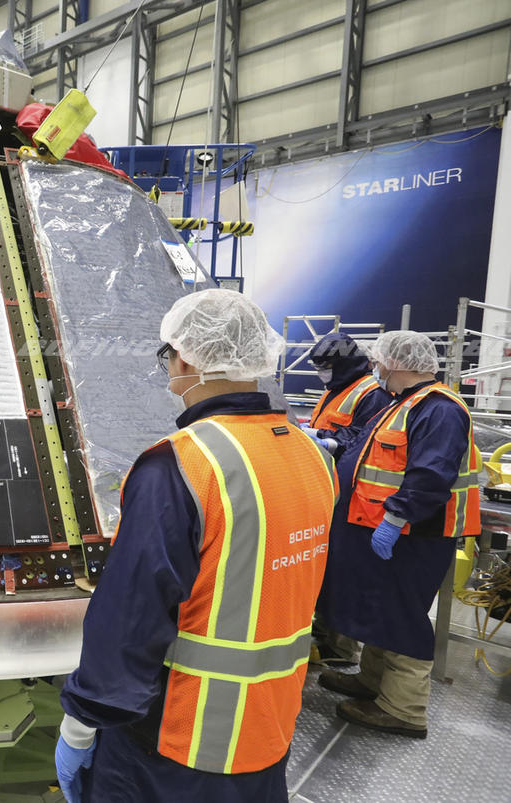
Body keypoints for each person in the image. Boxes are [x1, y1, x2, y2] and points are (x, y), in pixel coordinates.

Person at [55, 288, 339, 803]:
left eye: (168, 358)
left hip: (174, 739)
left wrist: (82, 722)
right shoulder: (310, 454)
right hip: (268, 726)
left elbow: (131, 615)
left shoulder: (180, 466)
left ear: (185, 358)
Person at [315, 330, 480, 738]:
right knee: (383, 609)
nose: (376, 366)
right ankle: (374, 684)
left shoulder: (439, 409)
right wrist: (334, 445)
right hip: (388, 529)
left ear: (397, 363)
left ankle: (403, 709)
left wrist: (394, 520)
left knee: (403, 615)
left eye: (379, 360)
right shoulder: (402, 403)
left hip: (414, 534)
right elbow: (371, 449)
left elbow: (430, 475)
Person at [302, 333, 392, 666]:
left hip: (353, 497)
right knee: (324, 570)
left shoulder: (371, 394)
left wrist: (323, 440)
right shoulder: (335, 390)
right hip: (325, 491)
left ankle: (340, 650)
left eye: (326, 366)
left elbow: (361, 440)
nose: (322, 373)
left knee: (342, 574)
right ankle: (325, 638)